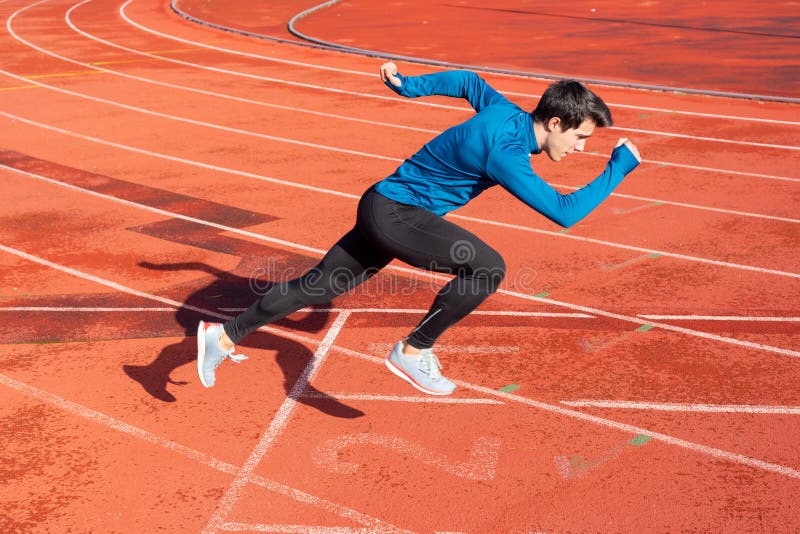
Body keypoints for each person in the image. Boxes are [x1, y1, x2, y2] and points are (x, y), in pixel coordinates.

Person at [197, 62, 641, 396]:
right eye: (581, 137)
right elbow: (563, 212)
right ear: (555, 123)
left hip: (381, 205)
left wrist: (411, 86)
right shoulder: (506, 152)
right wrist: (617, 169)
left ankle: (222, 336)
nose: (581, 148)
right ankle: (413, 351)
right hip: (397, 215)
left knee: (318, 286)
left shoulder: (505, 112)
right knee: (487, 269)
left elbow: (468, 82)